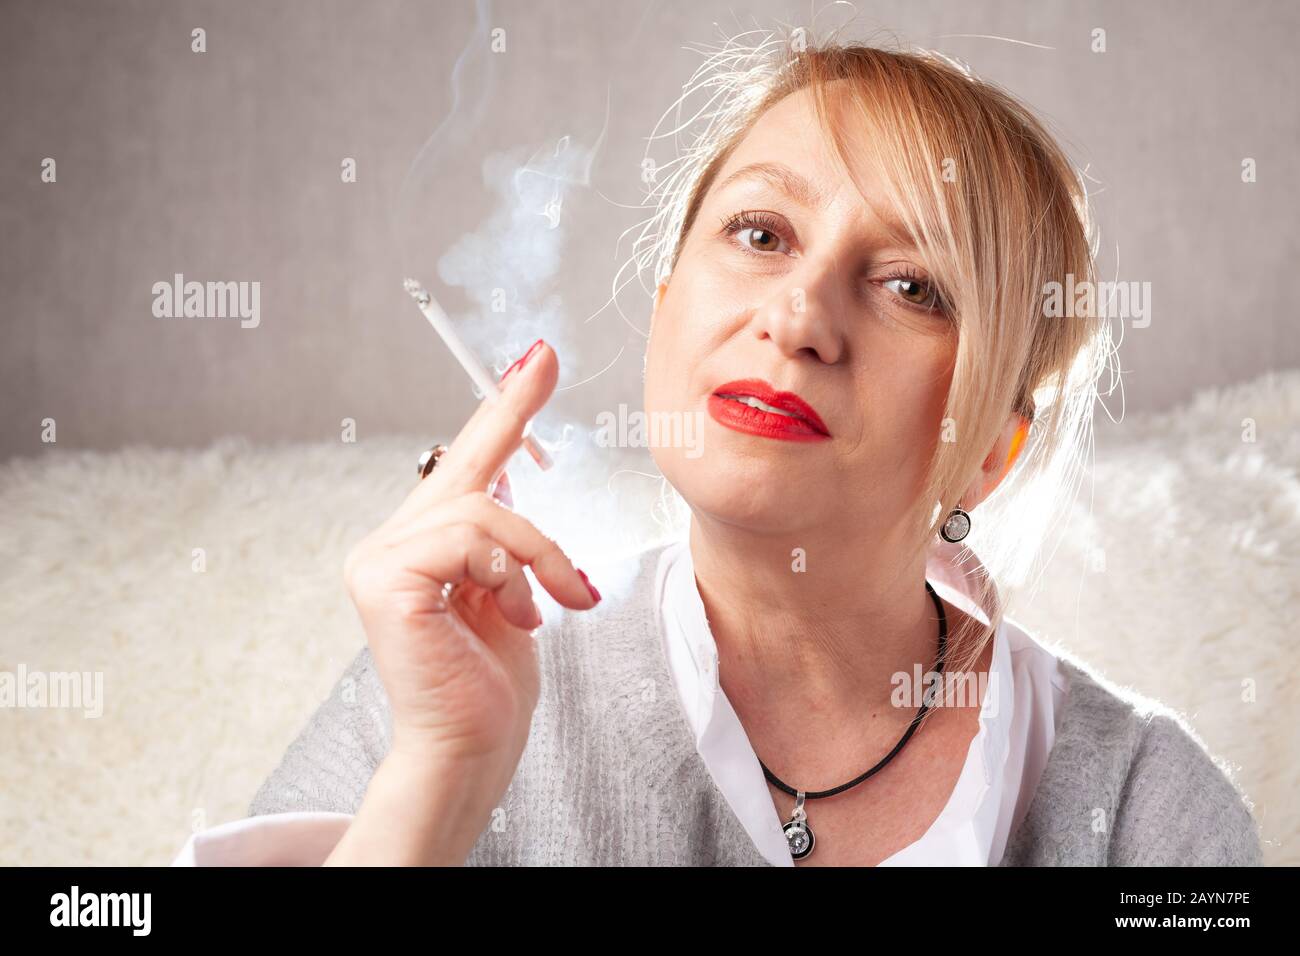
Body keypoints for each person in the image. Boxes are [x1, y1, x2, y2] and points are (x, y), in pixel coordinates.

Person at [172, 39, 1263, 866]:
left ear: (987, 449)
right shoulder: (439, 689)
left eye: (912, 286)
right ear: (664, 307)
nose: (797, 317)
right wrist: (440, 779)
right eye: (760, 233)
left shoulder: (1138, 803)